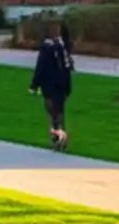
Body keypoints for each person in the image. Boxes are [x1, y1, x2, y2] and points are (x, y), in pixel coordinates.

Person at [30, 21, 75, 151]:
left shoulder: (47, 48)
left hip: (50, 84)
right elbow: (68, 66)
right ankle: (61, 137)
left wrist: (34, 84)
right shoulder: (62, 46)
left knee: (52, 111)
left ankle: (56, 137)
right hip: (63, 83)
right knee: (60, 111)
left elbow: (41, 67)